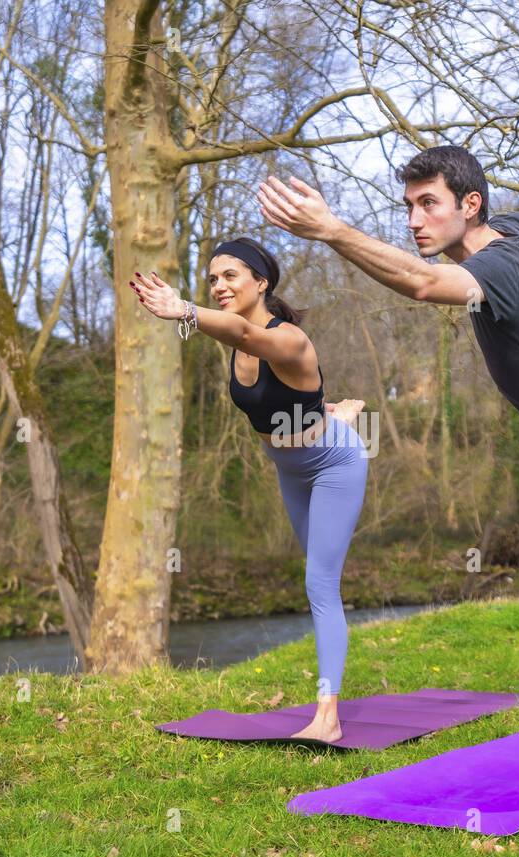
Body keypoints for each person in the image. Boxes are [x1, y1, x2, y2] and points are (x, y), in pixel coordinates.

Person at [256, 147, 519, 779]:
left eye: (428, 204)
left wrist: (331, 230)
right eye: (409, 205)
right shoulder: (515, 230)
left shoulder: (496, 268)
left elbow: (419, 283)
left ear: (470, 206)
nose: (414, 220)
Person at [129, 237, 368, 743]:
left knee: (319, 584)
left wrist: (181, 310)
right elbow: (271, 397)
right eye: (212, 279)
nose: (218, 286)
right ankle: (338, 416)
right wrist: (327, 408)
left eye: (230, 276)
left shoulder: (291, 339)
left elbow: (244, 331)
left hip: (334, 464)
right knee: (317, 578)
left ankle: (327, 718)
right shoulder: (236, 344)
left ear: (261, 282)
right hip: (289, 467)